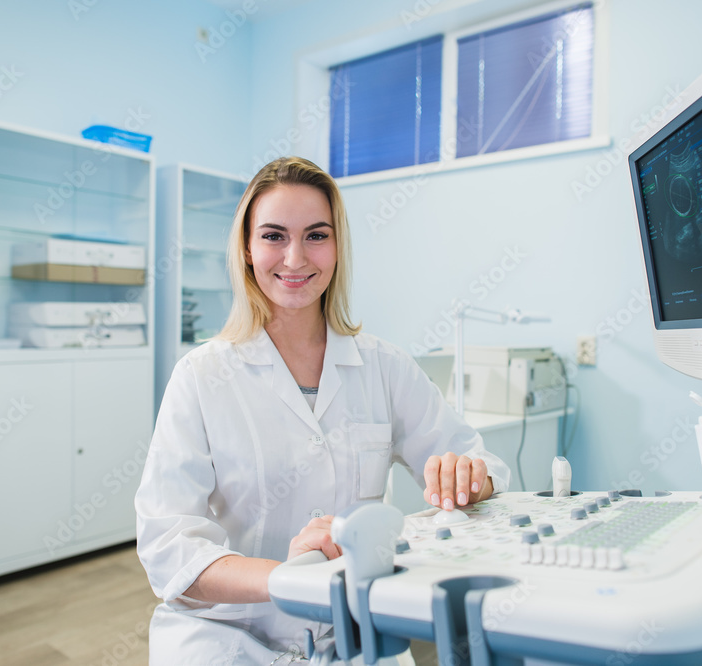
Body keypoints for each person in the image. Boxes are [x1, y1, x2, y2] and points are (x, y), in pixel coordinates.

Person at [135, 157, 510, 665]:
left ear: (337, 248)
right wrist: (286, 578)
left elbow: (476, 461)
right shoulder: (200, 377)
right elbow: (167, 546)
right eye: (272, 236)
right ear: (247, 248)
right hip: (224, 636)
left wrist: (470, 476)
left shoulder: (383, 366)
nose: (294, 258)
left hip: (350, 636)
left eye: (316, 235)